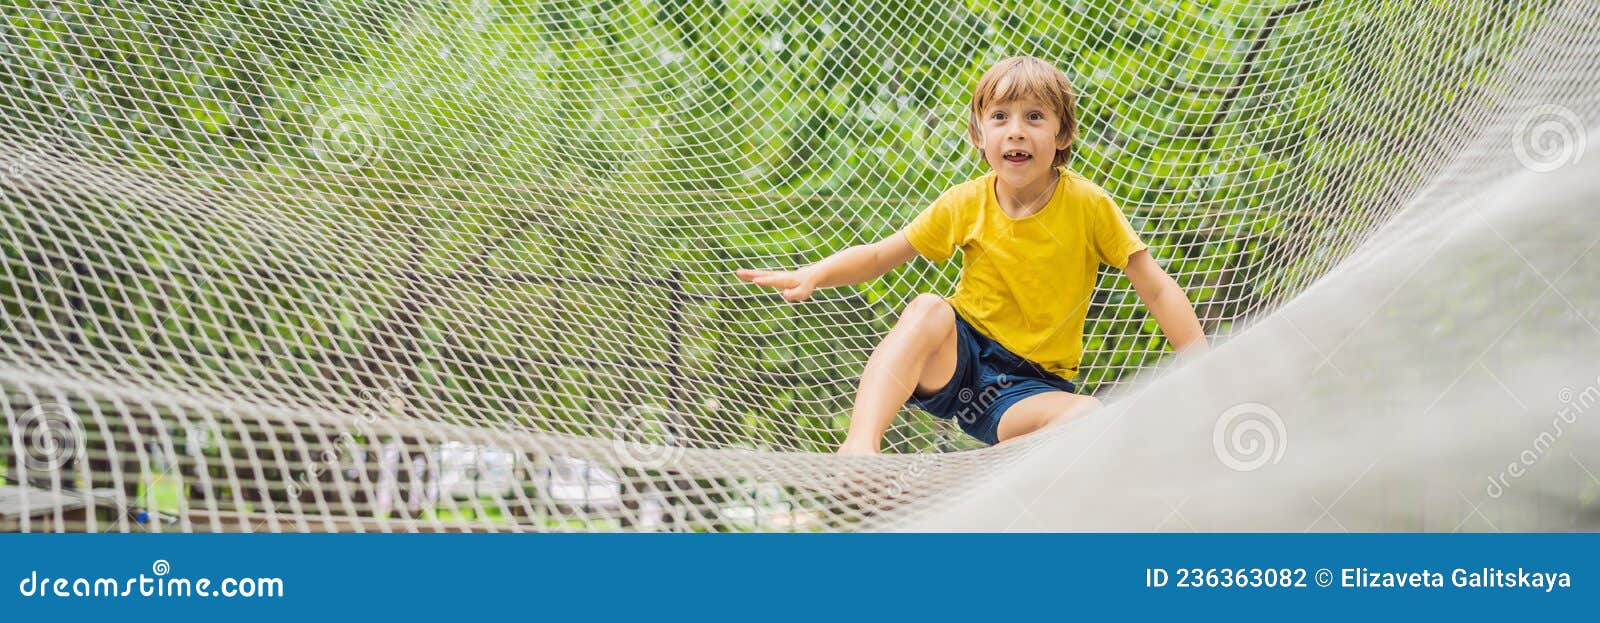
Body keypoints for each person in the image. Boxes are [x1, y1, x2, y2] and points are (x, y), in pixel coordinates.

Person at [737, 56, 1208, 454]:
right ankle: (860, 445)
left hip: (1027, 389)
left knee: (1087, 413)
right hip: (959, 357)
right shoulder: (965, 202)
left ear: (1063, 134)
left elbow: (1155, 288)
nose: (1016, 131)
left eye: (1034, 117)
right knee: (927, 307)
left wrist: (1205, 366)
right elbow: (880, 256)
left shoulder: (1089, 205)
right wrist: (815, 273)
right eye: (1000, 117)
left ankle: (1004, 475)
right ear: (979, 135)